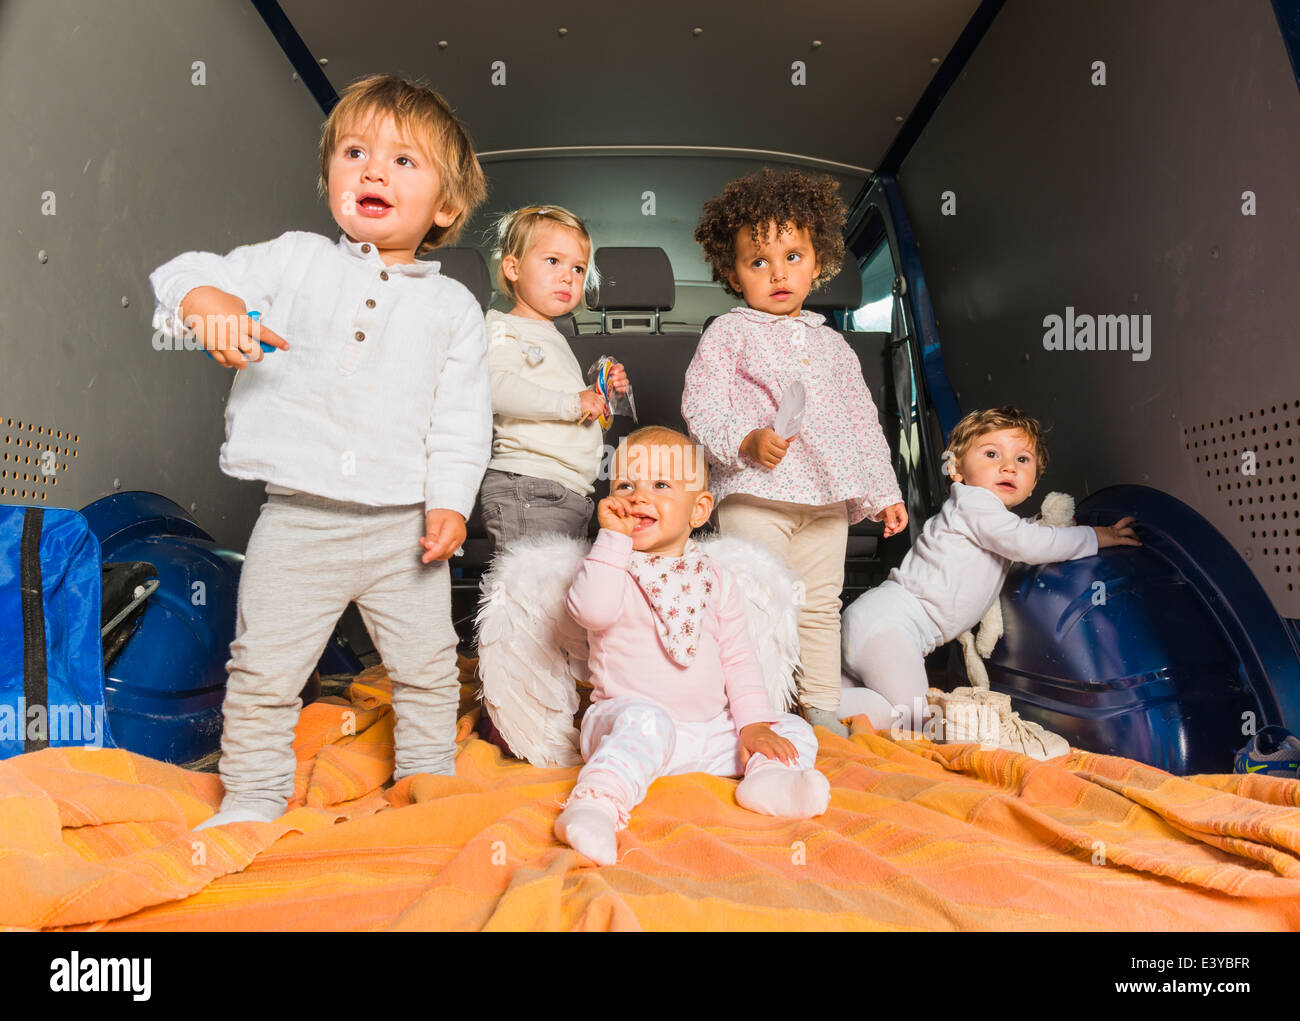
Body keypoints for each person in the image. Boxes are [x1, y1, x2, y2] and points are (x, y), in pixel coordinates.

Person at [149, 74, 491, 827]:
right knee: (264, 669)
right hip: (298, 520)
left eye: (404, 161)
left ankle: (427, 779)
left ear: (445, 208)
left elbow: (462, 421)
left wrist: (449, 506)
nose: (373, 170)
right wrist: (212, 306)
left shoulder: (453, 308)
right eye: (355, 151)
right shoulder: (294, 260)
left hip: (405, 527)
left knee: (428, 668)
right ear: (331, 176)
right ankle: (252, 798)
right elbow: (186, 273)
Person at [682, 167, 906, 738]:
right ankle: (754, 710)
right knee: (754, 604)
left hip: (826, 499)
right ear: (733, 273)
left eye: (793, 256)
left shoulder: (835, 346)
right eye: (758, 262)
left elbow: (863, 423)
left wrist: (884, 492)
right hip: (757, 493)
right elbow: (699, 403)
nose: (778, 273)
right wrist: (745, 440)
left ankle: (821, 703)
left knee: (819, 605)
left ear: (819, 261)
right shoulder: (729, 332)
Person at [554, 426, 830, 866]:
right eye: (625, 484)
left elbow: (738, 660)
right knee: (646, 722)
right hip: (627, 728)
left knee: (790, 730)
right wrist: (612, 540)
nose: (639, 496)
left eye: (660, 485)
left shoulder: (716, 579)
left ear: (699, 509)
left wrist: (754, 726)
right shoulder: (611, 566)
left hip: (704, 732)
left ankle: (768, 778)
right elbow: (591, 611)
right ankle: (595, 806)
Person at [840, 406, 1140, 731]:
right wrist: (1096, 536)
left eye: (1022, 460)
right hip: (891, 627)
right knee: (916, 722)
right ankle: (811, 707)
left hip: (876, 623)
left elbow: (1022, 533)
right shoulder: (974, 503)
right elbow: (1027, 542)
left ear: (1033, 482)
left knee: (870, 705)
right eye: (992, 454)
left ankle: (818, 706)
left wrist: (1049, 527)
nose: (1008, 466)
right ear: (956, 469)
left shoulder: (990, 518)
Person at [477, 205, 629, 551]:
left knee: (554, 597)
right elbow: (495, 388)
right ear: (512, 268)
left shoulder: (553, 337)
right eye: (552, 261)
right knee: (529, 593)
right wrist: (573, 402)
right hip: (530, 484)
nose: (568, 277)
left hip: (569, 491)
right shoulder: (501, 326)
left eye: (578, 268)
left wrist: (601, 395)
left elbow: (572, 418)